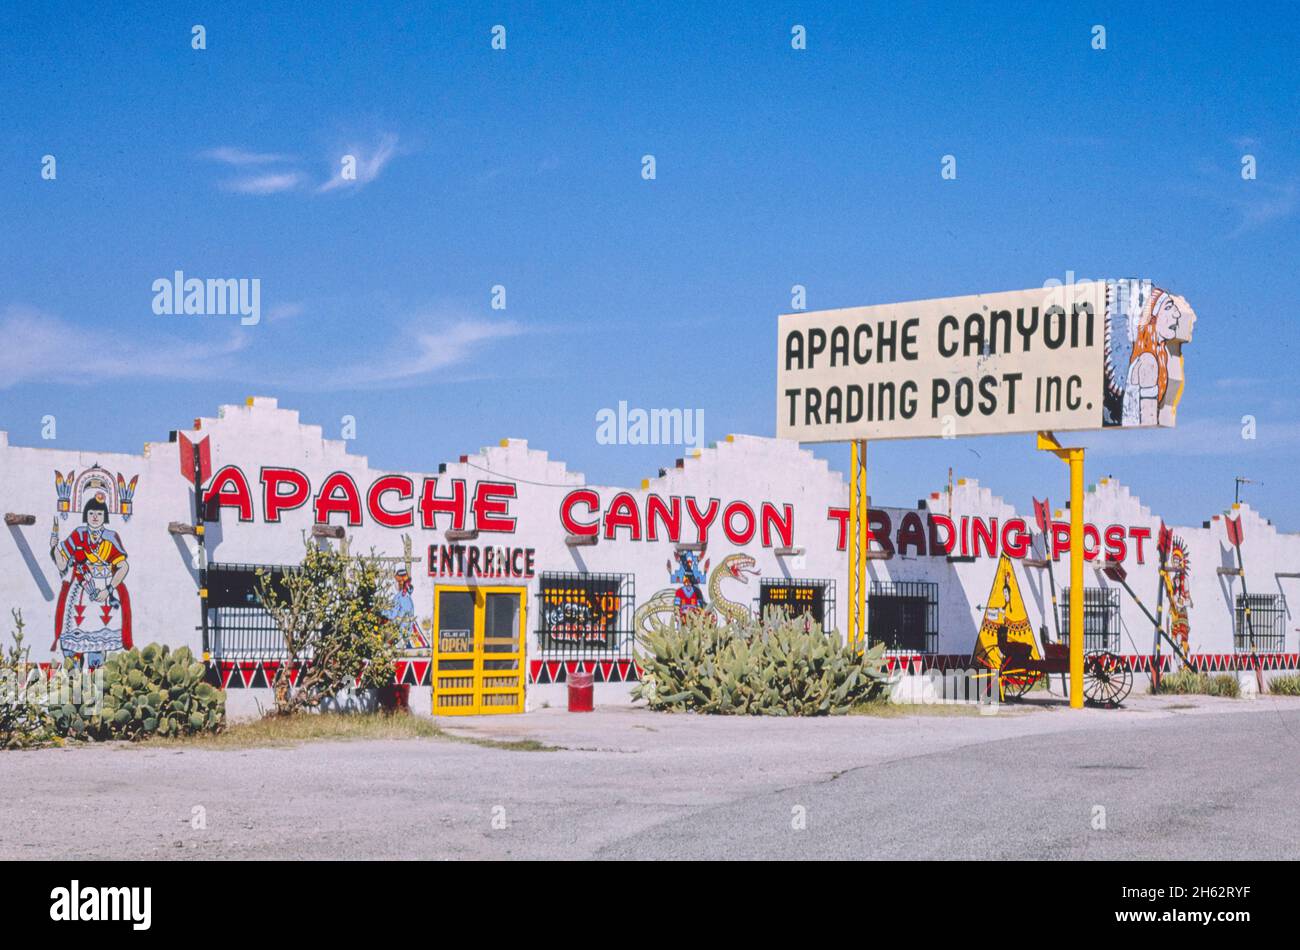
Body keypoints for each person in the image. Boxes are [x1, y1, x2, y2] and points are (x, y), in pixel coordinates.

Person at [50, 496, 132, 668]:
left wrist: (108, 590)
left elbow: (123, 567)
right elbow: (62, 564)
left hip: (104, 593)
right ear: (86, 515)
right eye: (92, 513)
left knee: (98, 644)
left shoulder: (110, 537)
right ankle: (74, 683)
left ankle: (97, 684)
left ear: (105, 516)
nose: (95, 516)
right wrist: (54, 548)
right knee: (74, 641)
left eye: (99, 513)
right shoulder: (78, 534)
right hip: (80, 592)